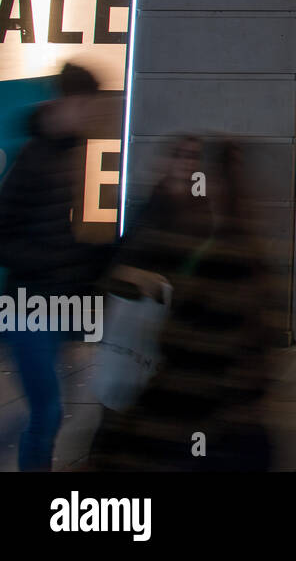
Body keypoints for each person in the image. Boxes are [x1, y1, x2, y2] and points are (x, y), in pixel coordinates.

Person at [91, 139, 276, 471]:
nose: (189, 167)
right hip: (159, 347)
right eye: (184, 156)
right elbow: (116, 268)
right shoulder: (157, 210)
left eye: (195, 159)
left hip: (191, 370)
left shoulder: (207, 218)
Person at [0, 63, 113, 471]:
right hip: (28, 306)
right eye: (84, 105)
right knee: (47, 409)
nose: (88, 116)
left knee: (50, 405)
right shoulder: (34, 157)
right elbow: (6, 235)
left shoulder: (64, 152)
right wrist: (61, 262)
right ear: (66, 101)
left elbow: (56, 230)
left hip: (53, 301)